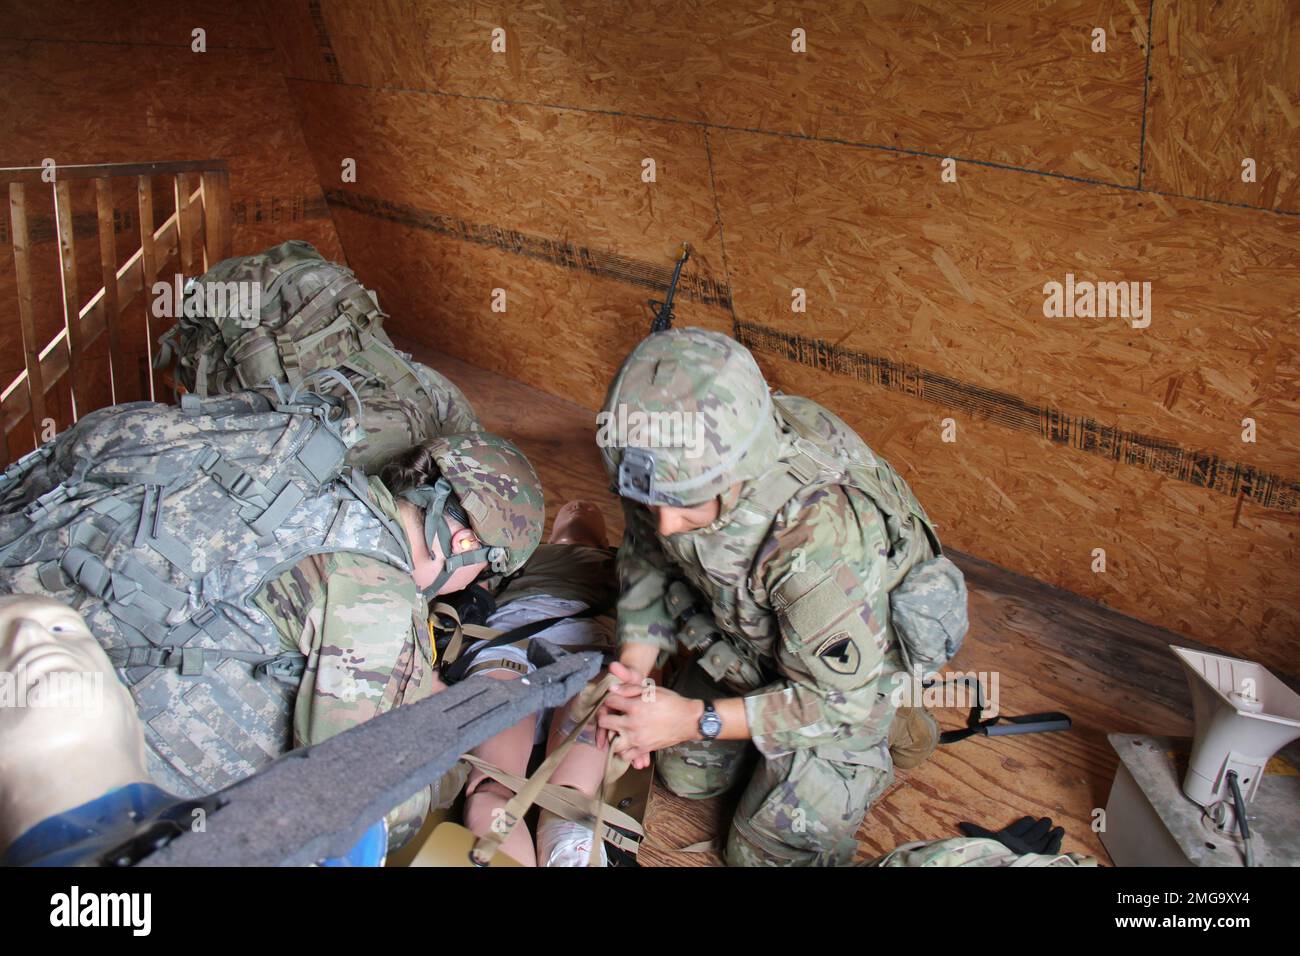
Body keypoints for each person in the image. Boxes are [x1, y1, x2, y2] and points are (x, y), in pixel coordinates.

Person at [594, 327, 948, 866]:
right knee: (684, 775)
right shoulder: (668, 459)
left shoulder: (818, 535)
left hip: (844, 684)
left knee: (759, 858)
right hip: (757, 639)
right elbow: (647, 558)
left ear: (739, 470)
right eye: (651, 503)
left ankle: (896, 719)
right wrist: (635, 669)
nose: (666, 524)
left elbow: (836, 699)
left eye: (688, 505)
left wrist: (695, 718)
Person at [454, 500, 621, 866]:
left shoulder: (622, 563)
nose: (578, 506)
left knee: (565, 797)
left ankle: (565, 848)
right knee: (493, 787)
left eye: (586, 508)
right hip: (516, 643)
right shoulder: (521, 553)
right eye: (572, 506)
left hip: (574, 652)